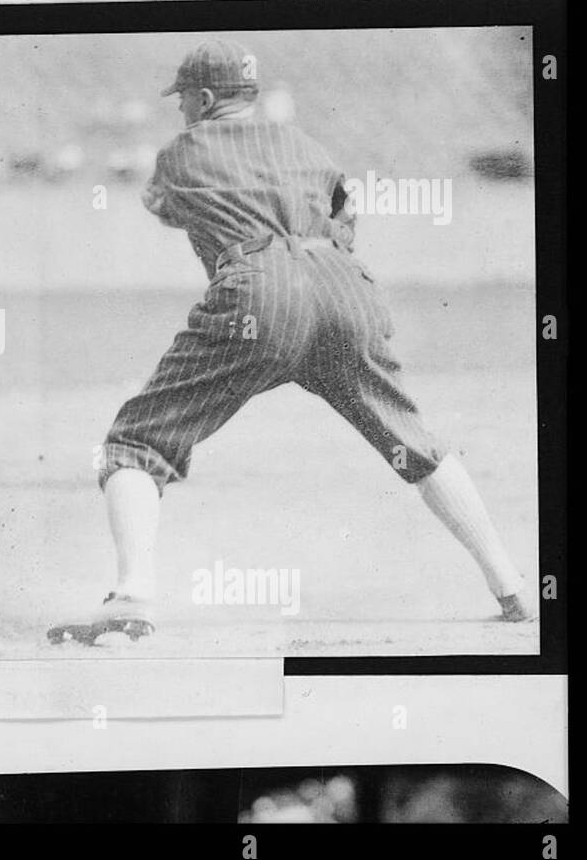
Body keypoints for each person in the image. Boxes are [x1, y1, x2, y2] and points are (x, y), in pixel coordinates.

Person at [61, 39, 531, 642]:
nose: (181, 109)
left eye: (185, 99)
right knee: (410, 440)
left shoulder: (184, 149)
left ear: (204, 98)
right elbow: (343, 216)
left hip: (259, 293)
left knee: (134, 443)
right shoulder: (305, 144)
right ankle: (512, 586)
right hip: (344, 287)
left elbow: (165, 206)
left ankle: (133, 597)